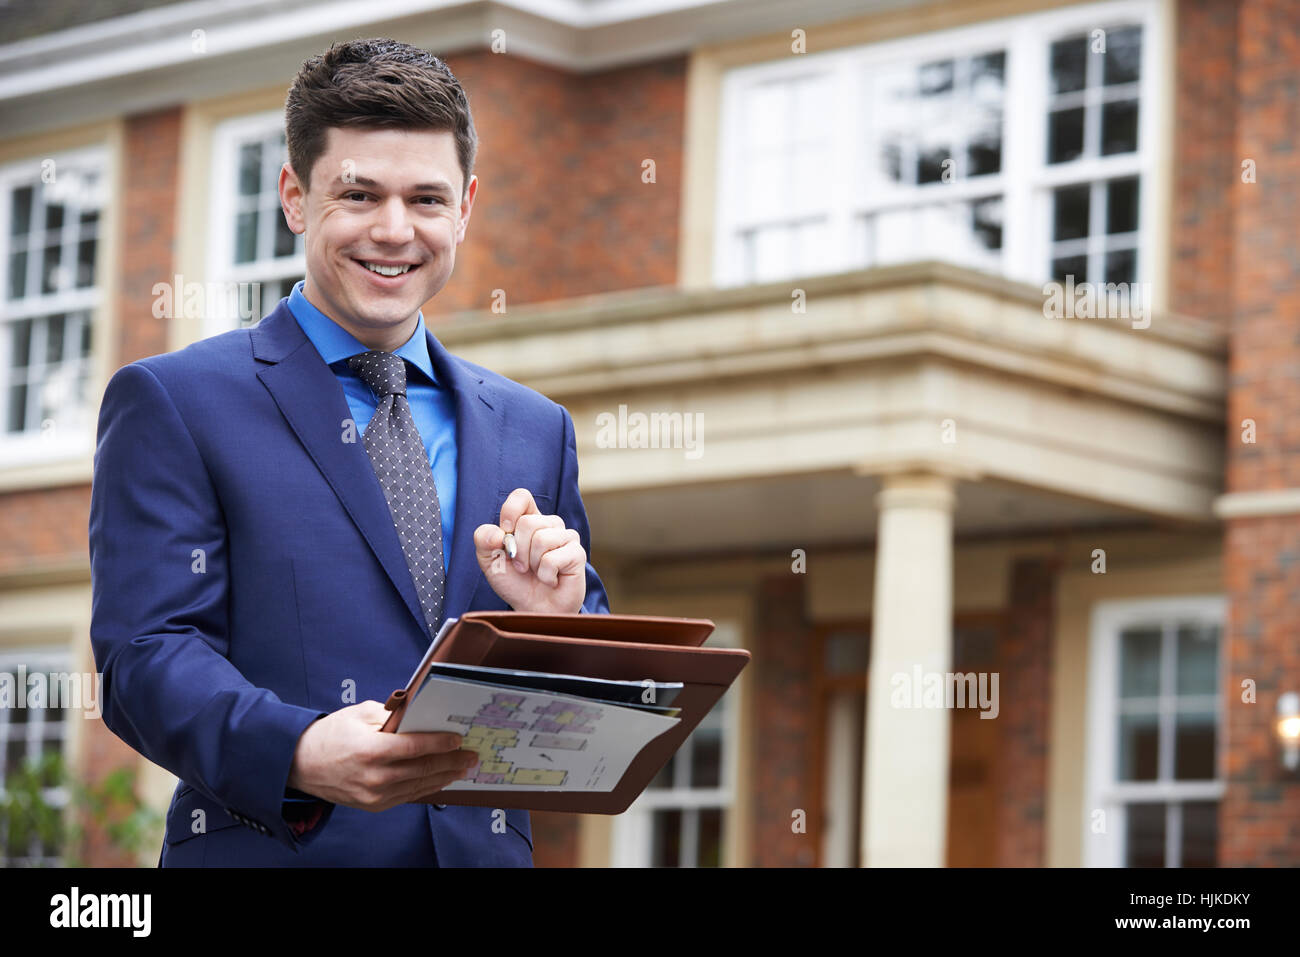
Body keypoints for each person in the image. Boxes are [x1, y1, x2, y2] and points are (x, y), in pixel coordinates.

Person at [88, 37, 610, 867]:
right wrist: (297, 749)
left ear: (467, 207)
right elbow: (145, 658)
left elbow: (586, 700)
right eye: (359, 193)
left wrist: (555, 624)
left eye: (427, 199)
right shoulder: (175, 402)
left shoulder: (534, 426)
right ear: (295, 197)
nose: (394, 231)